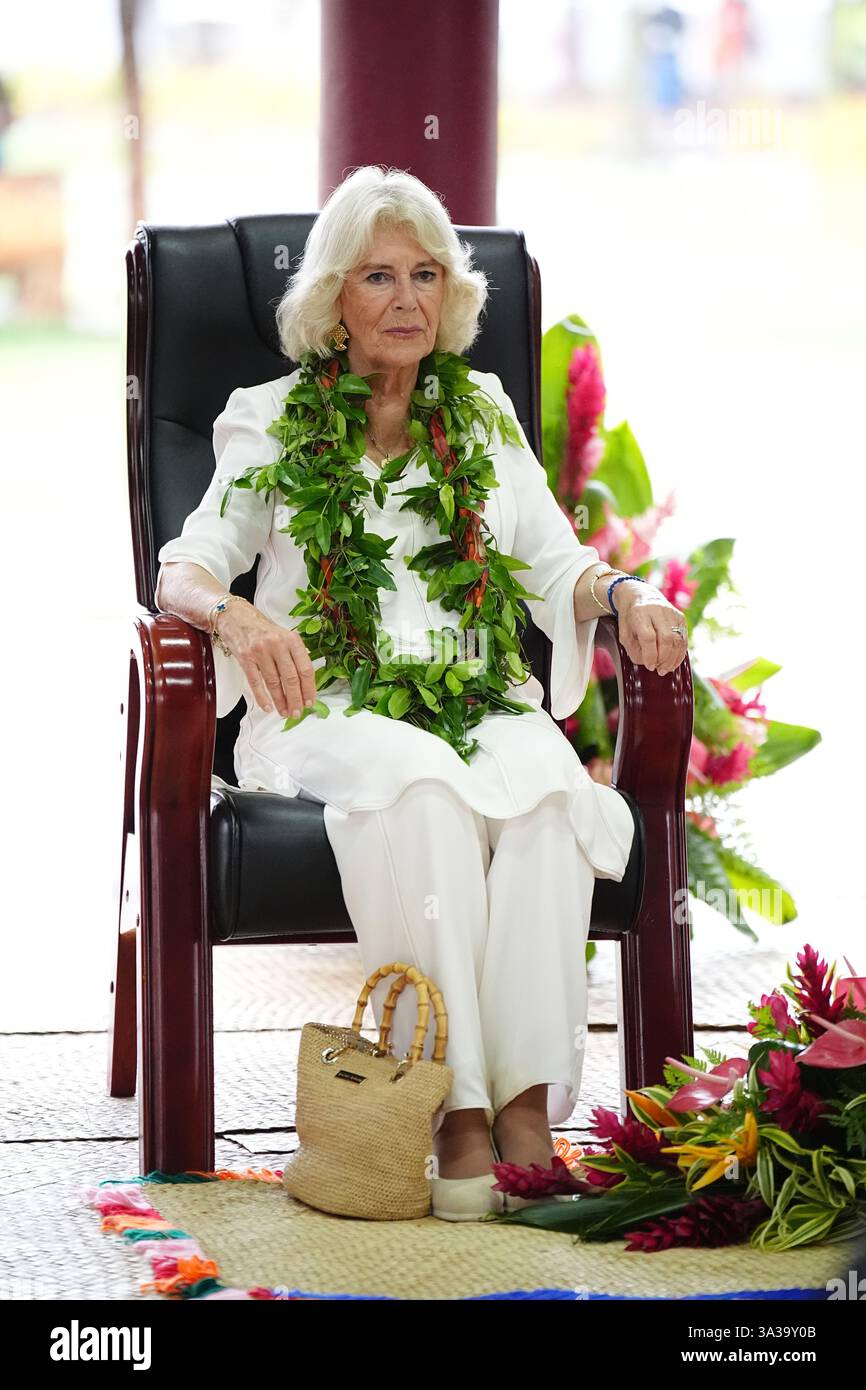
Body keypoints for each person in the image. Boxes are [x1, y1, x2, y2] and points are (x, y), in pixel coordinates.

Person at [155, 165, 689, 1220]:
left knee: (544, 785)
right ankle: (451, 1110)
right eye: (377, 277)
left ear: (450, 294)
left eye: (426, 275)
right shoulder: (269, 419)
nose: (405, 300)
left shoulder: (479, 411)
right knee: (424, 790)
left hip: (470, 695)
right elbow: (185, 568)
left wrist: (622, 591)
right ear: (331, 302)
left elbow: (550, 560)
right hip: (327, 704)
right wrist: (239, 614)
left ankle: (528, 1109)